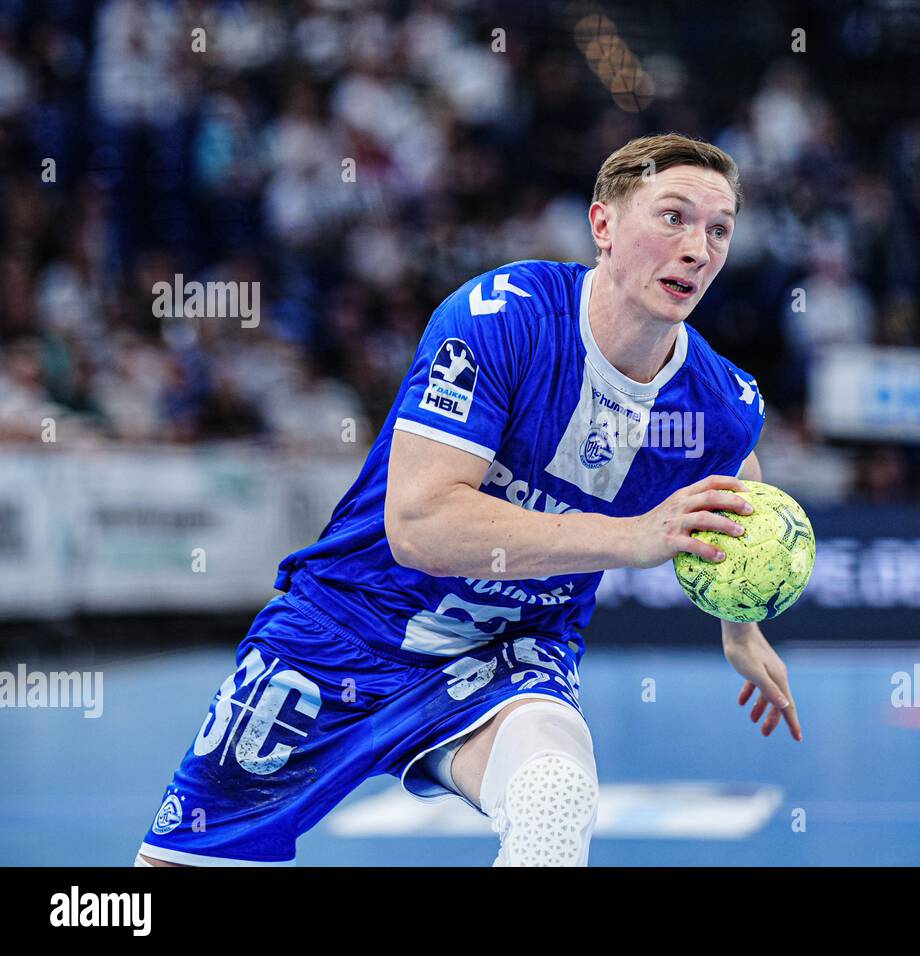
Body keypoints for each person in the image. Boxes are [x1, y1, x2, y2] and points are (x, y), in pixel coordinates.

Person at [136, 133, 801, 867]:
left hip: (507, 655)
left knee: (555, 794)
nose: (697, 248)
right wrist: (631, 537)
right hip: (345, 627)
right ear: (603, 225)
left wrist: (741, 626)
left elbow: (738, 477)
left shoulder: (720, 399)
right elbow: (419, 524)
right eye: (672, 217)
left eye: (719, 229)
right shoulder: (501, 317)